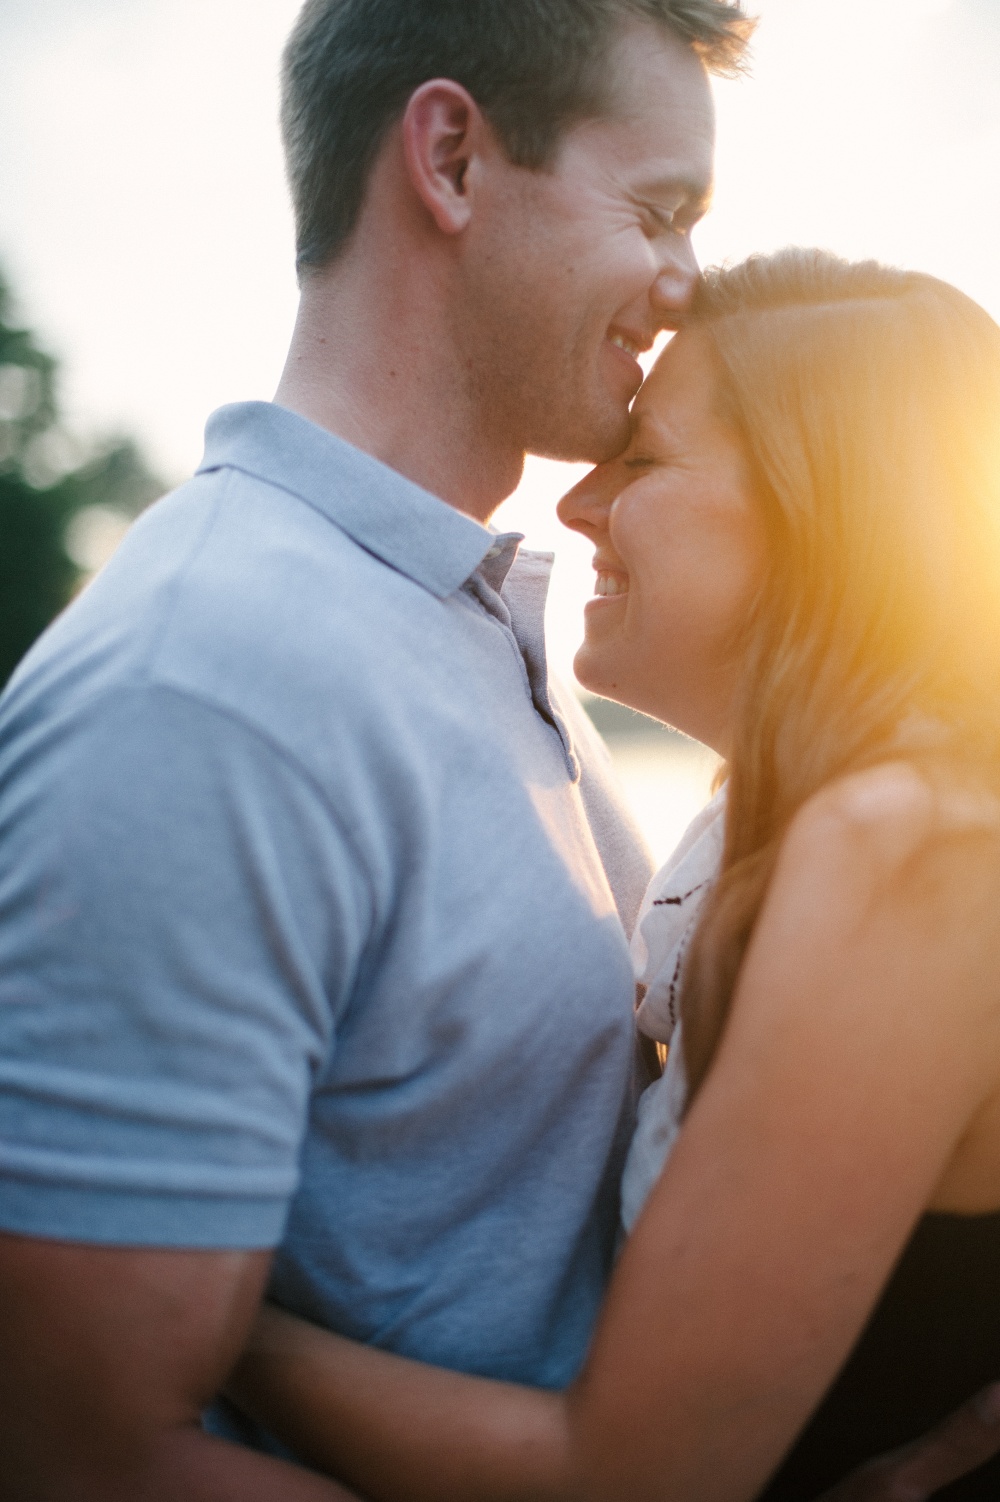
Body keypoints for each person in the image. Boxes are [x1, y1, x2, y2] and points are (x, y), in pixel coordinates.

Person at [0, 0, 994, 1494]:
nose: (686, 278)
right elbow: (87, 1443)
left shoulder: (470, 626)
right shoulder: (203, 678)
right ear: (453, 157)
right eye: (659, 210)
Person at [218, 251, 1000, 1502]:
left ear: (822, 508)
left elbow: (627, 1478)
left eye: (642, 461)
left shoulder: (910, 849)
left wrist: (200, 1299)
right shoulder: (787, 814)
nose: (575, 505)